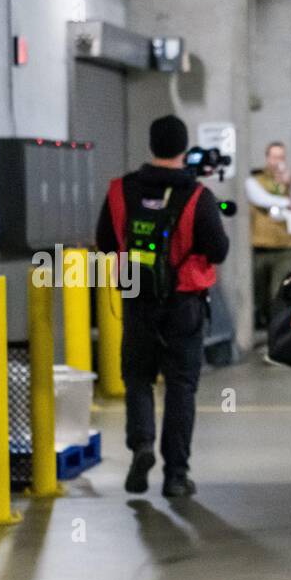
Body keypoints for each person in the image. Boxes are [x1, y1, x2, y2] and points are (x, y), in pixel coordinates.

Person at [96, 114, 229, 498]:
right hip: (184, 304)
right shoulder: (198, 196)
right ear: (183, 149)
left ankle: (141, 446)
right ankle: (175, 475)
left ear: (152, 145)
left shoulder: (121, 190)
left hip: (137, 299)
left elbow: (105, 242)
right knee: (180, 386)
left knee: (137, 378)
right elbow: (217, 250)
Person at [246, 141, 291, 332]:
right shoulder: (256, 180)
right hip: (262, 244)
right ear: (267, 158)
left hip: (287, 245)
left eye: (281, 157)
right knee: (260, 294)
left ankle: (278, 332)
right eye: (274, 157)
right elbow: (260, 198)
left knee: (278, 292)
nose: (277, 161)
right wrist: (287, 202)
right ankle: (265, 325)